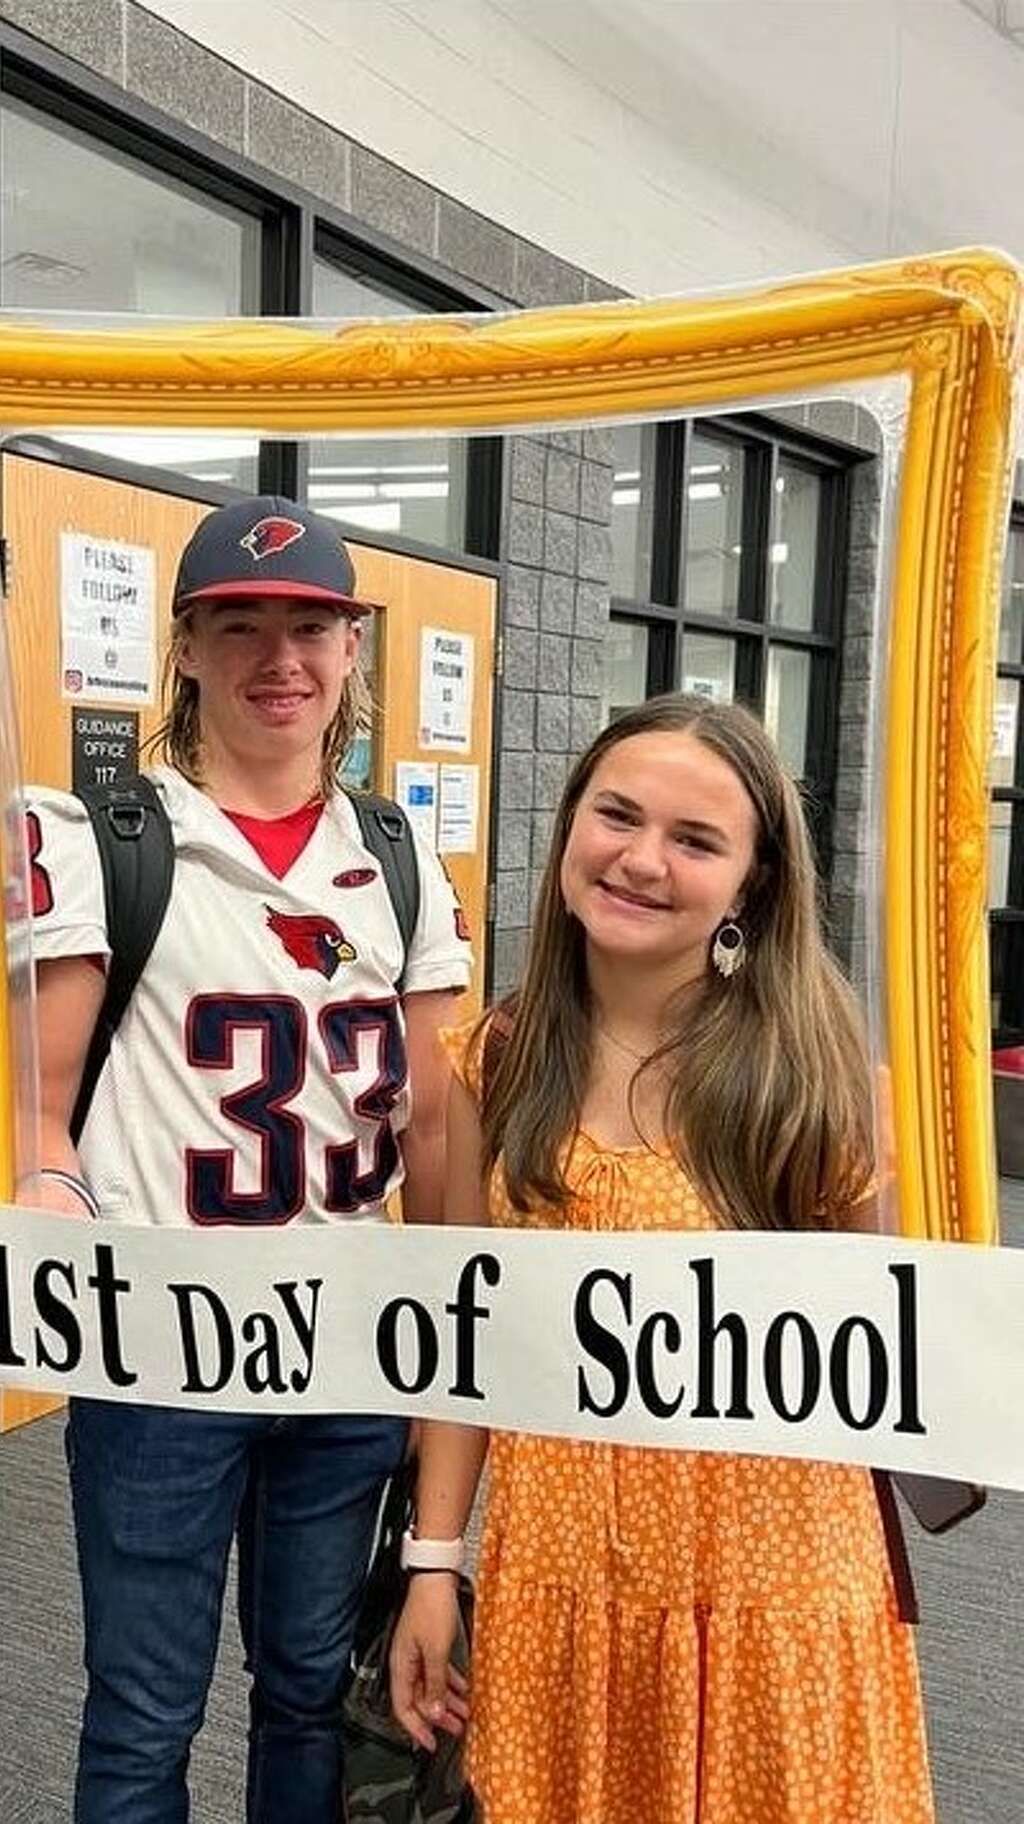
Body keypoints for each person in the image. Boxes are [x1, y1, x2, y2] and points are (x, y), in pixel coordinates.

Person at [389, 694, 935, 1824]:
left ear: (753, 883)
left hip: (771, 1583)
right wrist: (432, 1560)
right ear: (570, 826)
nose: (641, 861)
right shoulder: (497, 1061)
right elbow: (464, 1348)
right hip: (563, 1571)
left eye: (696, 840)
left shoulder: (816, 1085)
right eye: (618, 816)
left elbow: (877, 1356)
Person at [23, 494, 472, 1824]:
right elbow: (42, 1110)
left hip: (348, 1346)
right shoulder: (101, 839)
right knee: (143, 1715)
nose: (279, 658)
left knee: (311, 1697)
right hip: (165, 1351)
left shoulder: (398, 856)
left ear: (352, 651)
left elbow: (439, 1128)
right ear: (185, 647)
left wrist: (457, 1336)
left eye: (309, 628)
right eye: (240, 626)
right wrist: (47, 1198)